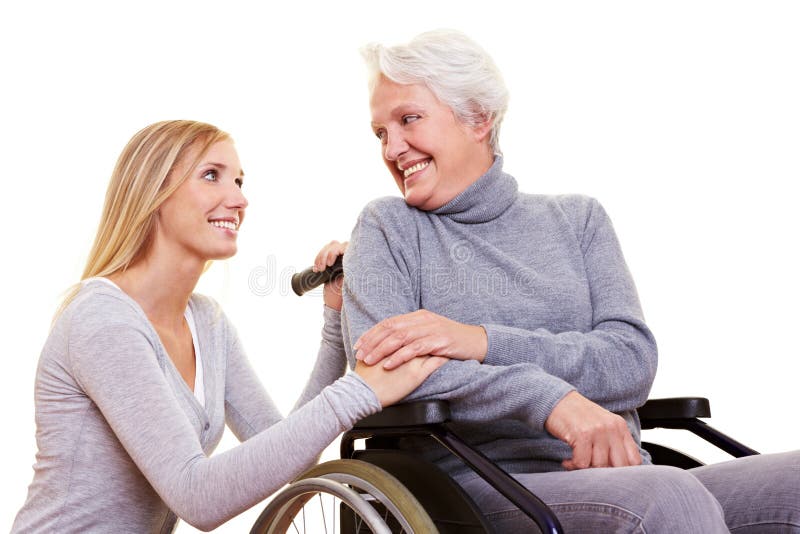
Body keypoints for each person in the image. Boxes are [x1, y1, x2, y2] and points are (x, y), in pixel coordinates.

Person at [341, 30, 800, 532]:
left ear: (478, 118)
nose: (393, 148)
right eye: (380, 133)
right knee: (665, 497)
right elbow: (388, 373)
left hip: (619, 471)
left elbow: (630, 361)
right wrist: (550, 399)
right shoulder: (388, 228)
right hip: (472, 485)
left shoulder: (578, 220)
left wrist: (479, 342)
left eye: (408, 120)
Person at [11, 120, 445, 533]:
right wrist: (360, 392)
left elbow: (287, 456)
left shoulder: (207, 324)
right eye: (212, 176)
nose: (239, 200)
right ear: (154, 193)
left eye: (238, 181)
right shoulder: (103, 320)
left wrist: (335, 321)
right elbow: (197, 496)